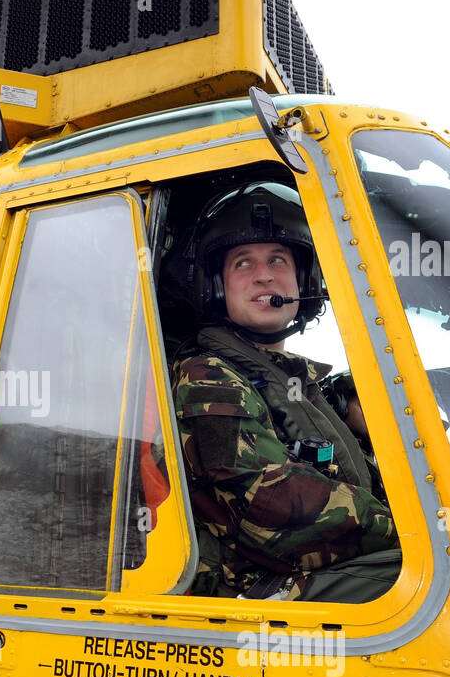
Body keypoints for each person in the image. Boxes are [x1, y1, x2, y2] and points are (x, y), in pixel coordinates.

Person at [169, 182, 400, 601]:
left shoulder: (302, 385)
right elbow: (265, 510)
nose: (263, 274)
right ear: (217, 286)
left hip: (318, 573)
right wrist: (412, 526)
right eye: (242, 263)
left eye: (278, 259)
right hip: (258, 591)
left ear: (304, 279)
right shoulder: (207, 377)